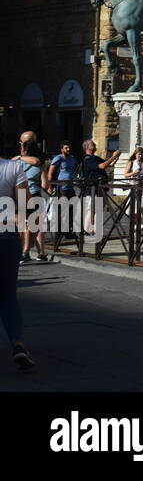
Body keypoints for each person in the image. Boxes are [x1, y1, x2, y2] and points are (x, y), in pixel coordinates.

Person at [0, 151, 35, 371]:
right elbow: (25, 204)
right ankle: (18, 344)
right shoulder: (12, 168)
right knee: (7, 295)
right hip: (6, 234)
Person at [78, 140, 120, 238]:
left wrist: (116, 157)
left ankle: (96, 231)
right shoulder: (87, 159)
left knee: (98, 210)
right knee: (92, 209)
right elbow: (102, 166)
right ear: (87, 147)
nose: (95, 145)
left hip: (99, 188)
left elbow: (109, 165)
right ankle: (86, 230)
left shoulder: (95, 158)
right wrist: (113, 156)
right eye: (92, 144)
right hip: (92, 189)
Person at [15, 139, 46, 263]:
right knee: (37, 225)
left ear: (25, 149)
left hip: (21, 194)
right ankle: (40, 253)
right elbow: (44, 183)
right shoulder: (39, 164)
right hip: (35, 194)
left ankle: (25, 251)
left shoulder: (16, 162)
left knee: (25, 225)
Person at [123, 147, 143, 225]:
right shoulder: (132, 163)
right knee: (132, 209)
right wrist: (134, 173)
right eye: (139, 154)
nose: (140, 156)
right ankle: (136, 224)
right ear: (135, 154)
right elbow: (125, 175)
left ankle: (141, 224)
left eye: (142, 154)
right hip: (134, 187)